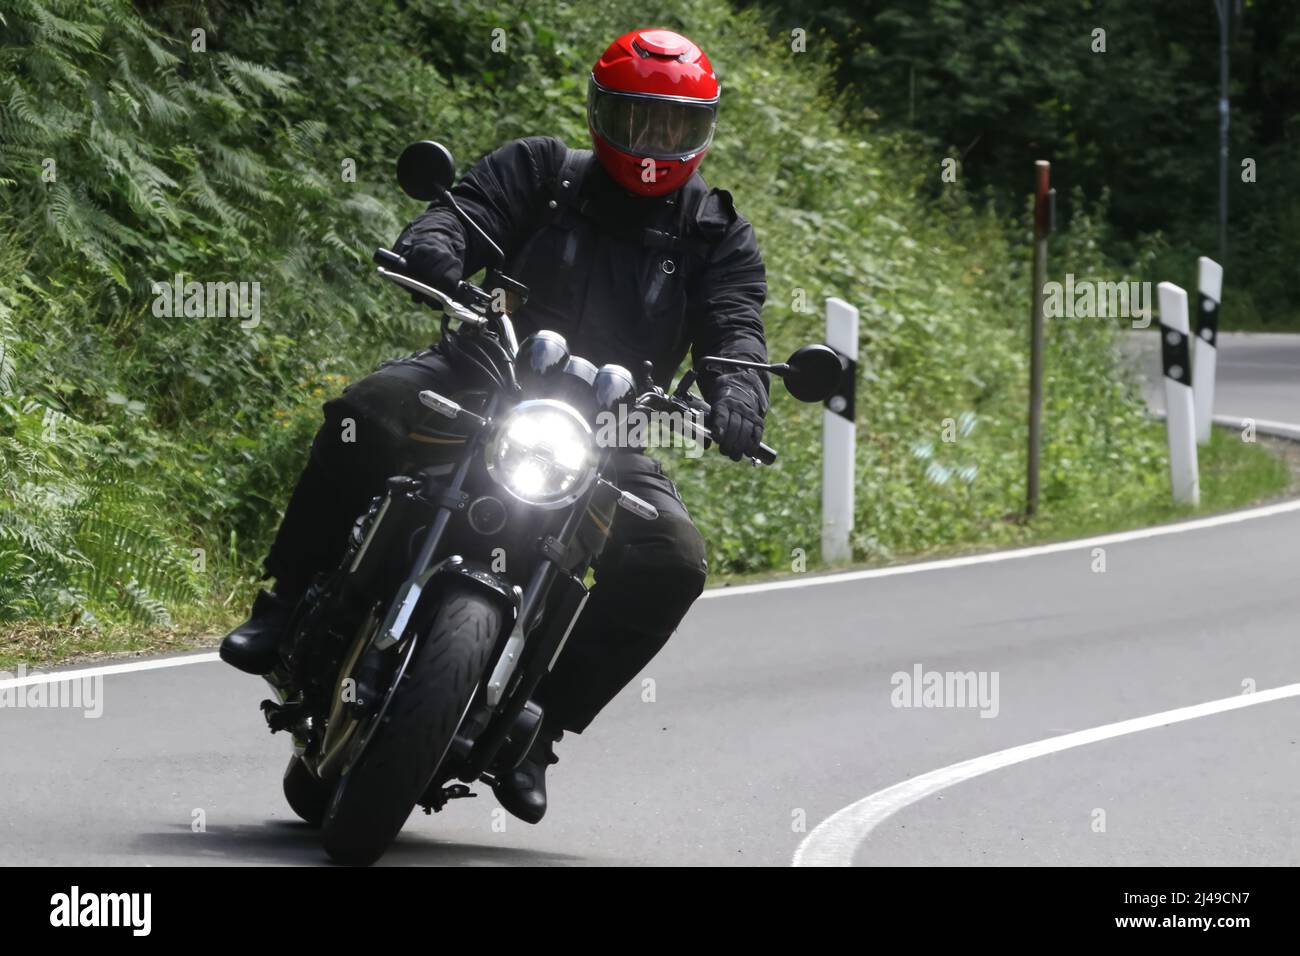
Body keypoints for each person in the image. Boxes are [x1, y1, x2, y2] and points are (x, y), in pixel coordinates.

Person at [220, 28, 770, 823]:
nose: (654, 143)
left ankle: (539, 722)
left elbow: (735, 326)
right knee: (364, 415)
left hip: (612, 430)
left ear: (701, 131)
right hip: (484, 372)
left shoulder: (716, 233)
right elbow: (467, 213)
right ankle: (285, 601)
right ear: (599, 115)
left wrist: (740, 396)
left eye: (673, 128)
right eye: (637, 121)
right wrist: (434, 248)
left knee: (673, 559)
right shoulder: (544, 173)